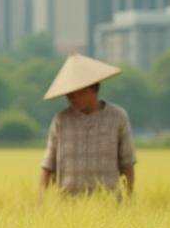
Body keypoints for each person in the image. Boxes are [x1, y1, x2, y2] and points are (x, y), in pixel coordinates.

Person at [39, 53, 137, 197]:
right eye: (68, 94)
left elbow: (127, 163)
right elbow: (48, 166)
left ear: (92, 89)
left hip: (109, 204)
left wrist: (129, 199)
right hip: (67, 207)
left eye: (75, 93)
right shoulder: (61, 120)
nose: (70, 98)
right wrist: (41, 201)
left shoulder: (118, 117)